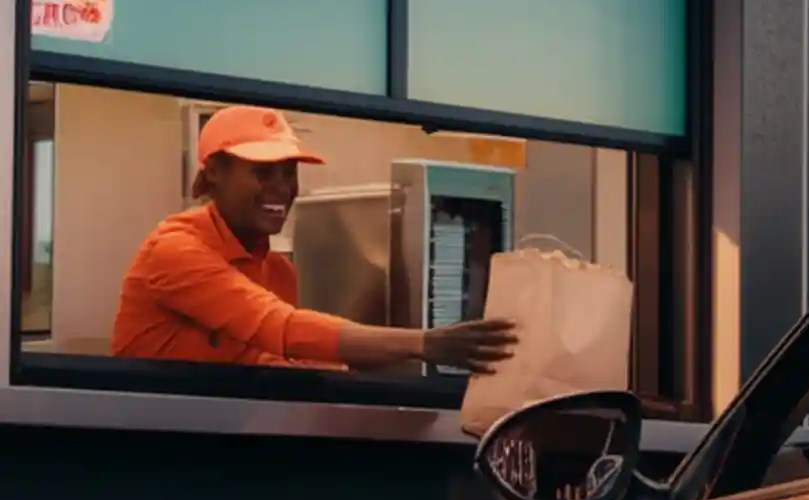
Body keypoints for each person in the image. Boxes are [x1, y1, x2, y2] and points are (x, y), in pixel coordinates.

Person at [111, 105, 517, 372]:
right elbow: (283, 328)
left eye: (289, 173)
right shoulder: (176, 249)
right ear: (214, 172)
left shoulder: (277, 272)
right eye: (262, 172)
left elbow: (275, 359)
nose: (281, 188)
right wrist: (424, 344)